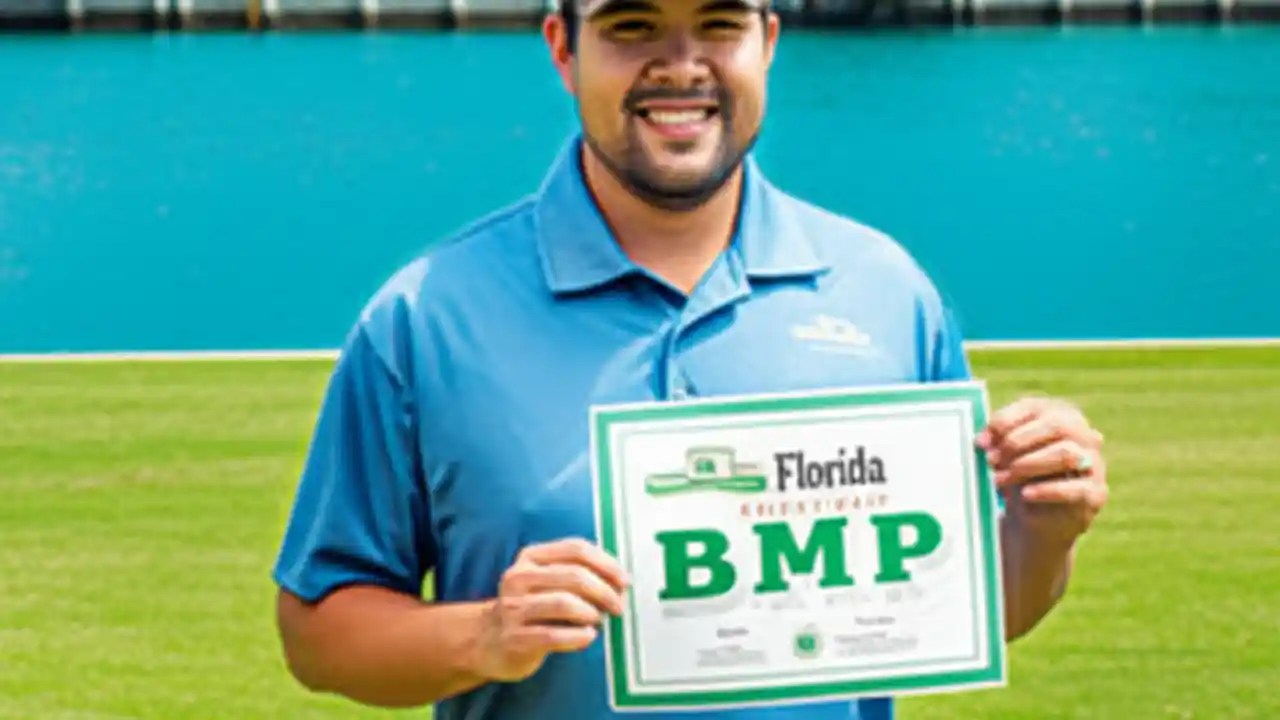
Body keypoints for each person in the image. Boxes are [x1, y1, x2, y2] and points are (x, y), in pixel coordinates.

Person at [270, 0, 1110, 717]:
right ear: (564, 49)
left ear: (768, 43)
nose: (680, 66)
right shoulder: (427, 314)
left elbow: (962, 609)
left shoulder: (885, 292)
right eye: (632, 26)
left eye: (718, 24)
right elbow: (318, 632)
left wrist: (1042, 528)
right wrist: (484, 633)